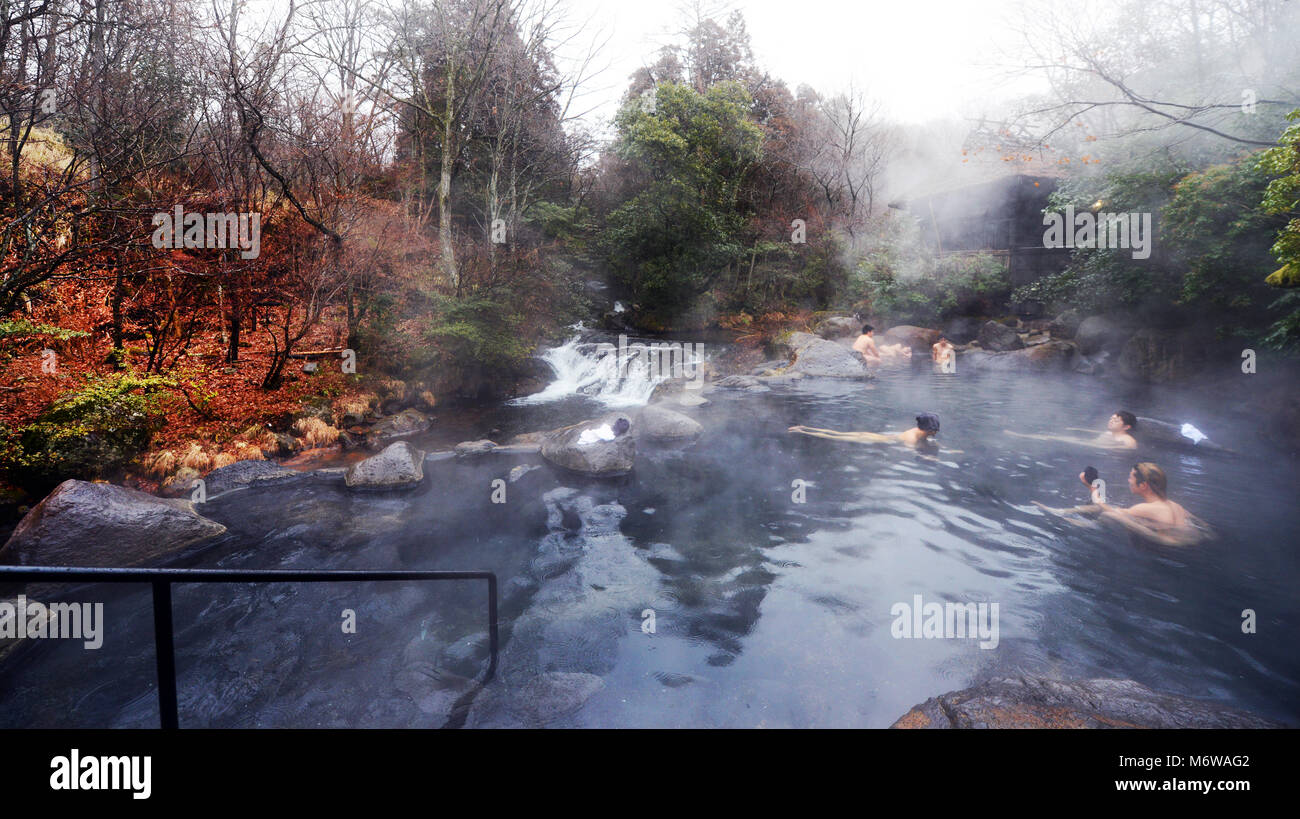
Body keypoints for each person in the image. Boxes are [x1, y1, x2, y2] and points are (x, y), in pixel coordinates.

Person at [1036, 462, 1210, 545]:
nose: (1128, 481)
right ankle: (1062, 512)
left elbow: (1111, 510)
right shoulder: (1175, 506)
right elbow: (1202, 526)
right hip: (1187, 536)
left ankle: (1070, 521)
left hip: (1168, 543)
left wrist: (1094, 491)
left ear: (1143, 486)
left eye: (1130, 477)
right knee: (1112, 511)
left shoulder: (1144, 508)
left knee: (1108, 516)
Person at [789, 412, 941, 449]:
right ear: (931, 430)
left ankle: (803, 427)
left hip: (877, 436)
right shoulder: (912, 438)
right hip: (872, 439)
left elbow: (930, 442)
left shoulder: (917, 431)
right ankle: (802, 431)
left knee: (837, 433)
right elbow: (914, 449)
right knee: (836, 437)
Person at [1006, 410, 1138, 450]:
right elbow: (1094, 433)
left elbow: (1128, 449)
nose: (1111, 421)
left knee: (1056, 439)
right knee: (1058, 436)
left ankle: (1021, 436)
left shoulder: (1128, 441)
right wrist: (1077, 429)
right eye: (1111, 418)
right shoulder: (1108, 432)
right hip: (1093, 446)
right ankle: (1024, 436)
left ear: (1126, 427)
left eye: (1116, 420)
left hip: (1097, 448)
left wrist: (1090, 444)